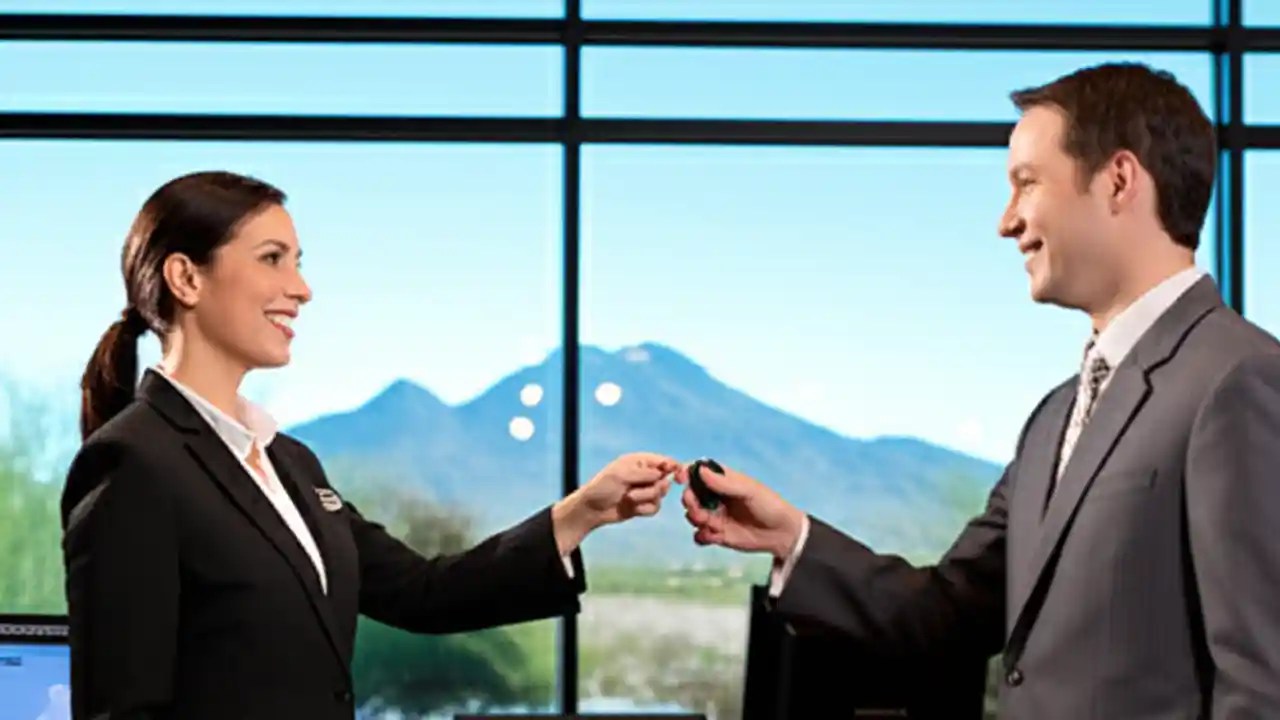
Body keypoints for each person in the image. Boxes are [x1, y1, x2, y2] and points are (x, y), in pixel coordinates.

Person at [679, 62, 1280, 718]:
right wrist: (790, 537)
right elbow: (948, 614)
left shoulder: (1240, 381)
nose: (1006, 221)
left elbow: (1264, 686)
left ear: (1118, 180)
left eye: (1026, 183)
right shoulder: (1054, 416)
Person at [61, 170, 678, 720]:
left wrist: (585, 512)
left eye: (298, 261)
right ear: (186, 277)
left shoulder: (290, 463)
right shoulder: (133, 461)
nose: (302, 288)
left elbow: (425, 593)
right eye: (273, 258)